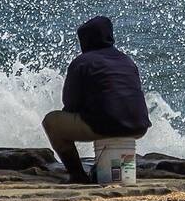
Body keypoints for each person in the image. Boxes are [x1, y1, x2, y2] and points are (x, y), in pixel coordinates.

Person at [42, 15, 151, 183]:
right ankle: (114, 171)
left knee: (51, 121)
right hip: (138, 126)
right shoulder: (127, 60)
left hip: (108, 125)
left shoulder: (82, 62)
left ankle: (77, 175)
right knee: (107, 120)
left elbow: (70, 103)